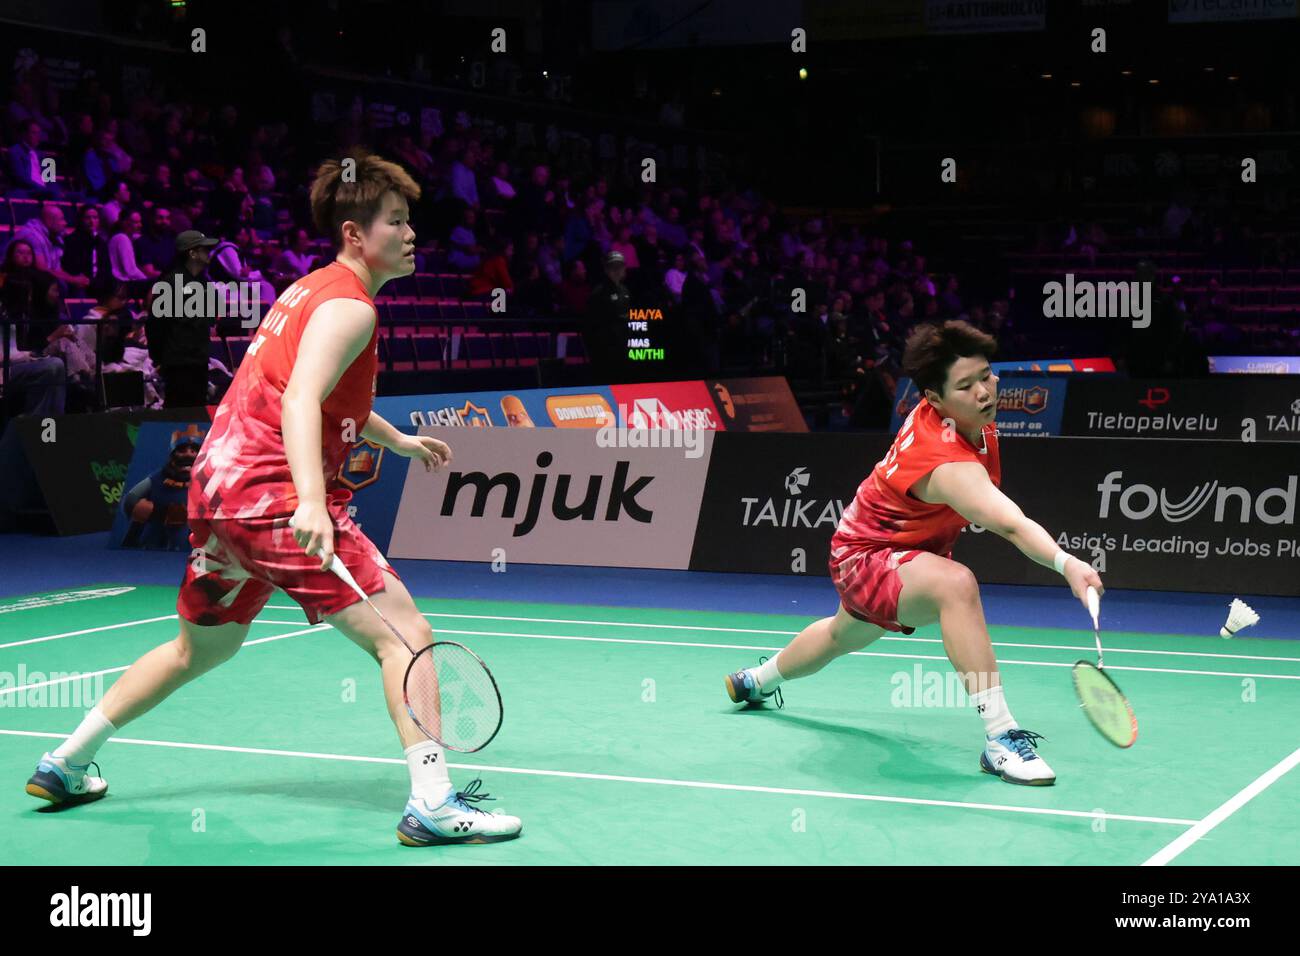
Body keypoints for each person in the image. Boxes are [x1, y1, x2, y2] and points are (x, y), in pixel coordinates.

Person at [27, 151, 522, 847]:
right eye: (398, 221)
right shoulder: (350, 307)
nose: (413, 235)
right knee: (406, 636)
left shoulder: (312, 291)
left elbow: (307, 392)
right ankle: (434, 803)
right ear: (356, 233)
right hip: (274, 498)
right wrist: (314, 503)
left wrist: (399, 442)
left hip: (219, 497)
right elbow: (296, 400)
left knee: (197, 652)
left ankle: (65, 762)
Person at [724, 320, 1105, 786]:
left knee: (840, 636)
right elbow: (1009, 522)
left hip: (892, 550)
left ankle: (755, 681)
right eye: (965, 386)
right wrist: (1067, 564)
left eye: (986, 375)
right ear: (935, 399)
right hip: (866, 556)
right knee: (955, 585)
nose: (985, 391)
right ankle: (1001, 737)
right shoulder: (943, 458)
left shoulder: (969, 422)